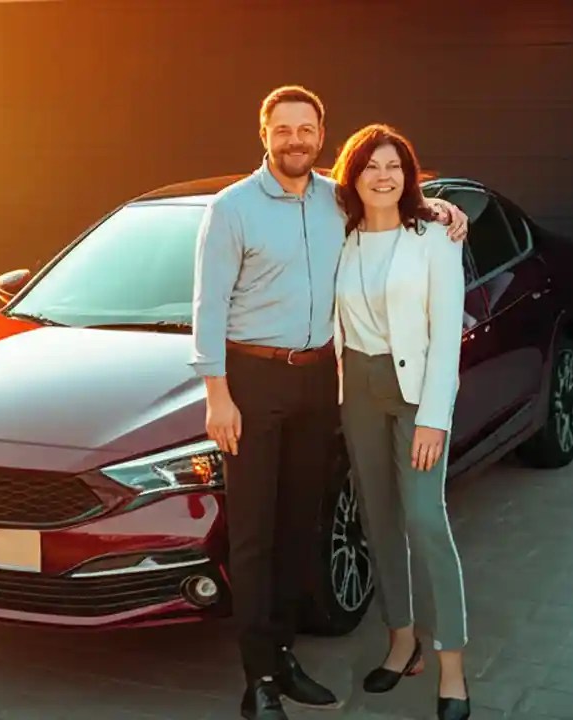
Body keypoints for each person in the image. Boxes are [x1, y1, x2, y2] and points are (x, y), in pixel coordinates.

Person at [190, 86, 467, 720]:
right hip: (253, 382)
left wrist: (448, 211)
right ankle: (258, 678)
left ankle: (283, 656)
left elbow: (394, 199)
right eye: (283, 129)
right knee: (256, 534)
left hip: (319, 384)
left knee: (299, 527)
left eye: (306, 129)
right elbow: (207, 308)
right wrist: (218, 395)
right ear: (264, 134)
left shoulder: (332, 200)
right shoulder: (231, 209)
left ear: (321, 136)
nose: (295, 140)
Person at [330, 123, 471, 720]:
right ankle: (401, 641)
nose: (383, 176)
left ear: (409, 177)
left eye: (394, 167)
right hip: (357, 388)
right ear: (353, 177)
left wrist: (434, 419)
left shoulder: (435, 236)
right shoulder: (340, 233)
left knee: (423, 517)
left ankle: (452, 667)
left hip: (416, 393)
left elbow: (446, 339)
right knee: (378, 517)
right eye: (371, 167)